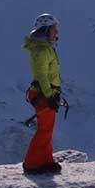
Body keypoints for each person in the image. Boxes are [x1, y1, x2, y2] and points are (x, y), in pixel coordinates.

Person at [22, 13, 63, 174]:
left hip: (45, 93)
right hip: (43, 94)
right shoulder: (42, 51)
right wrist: (49, 95)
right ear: (46, 30)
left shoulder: (44, 48)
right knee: (44, 130)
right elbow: (41, 75)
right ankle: (32, 164)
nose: (56, 32)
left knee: (47, 128)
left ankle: (45, 161)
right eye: (54, 29)